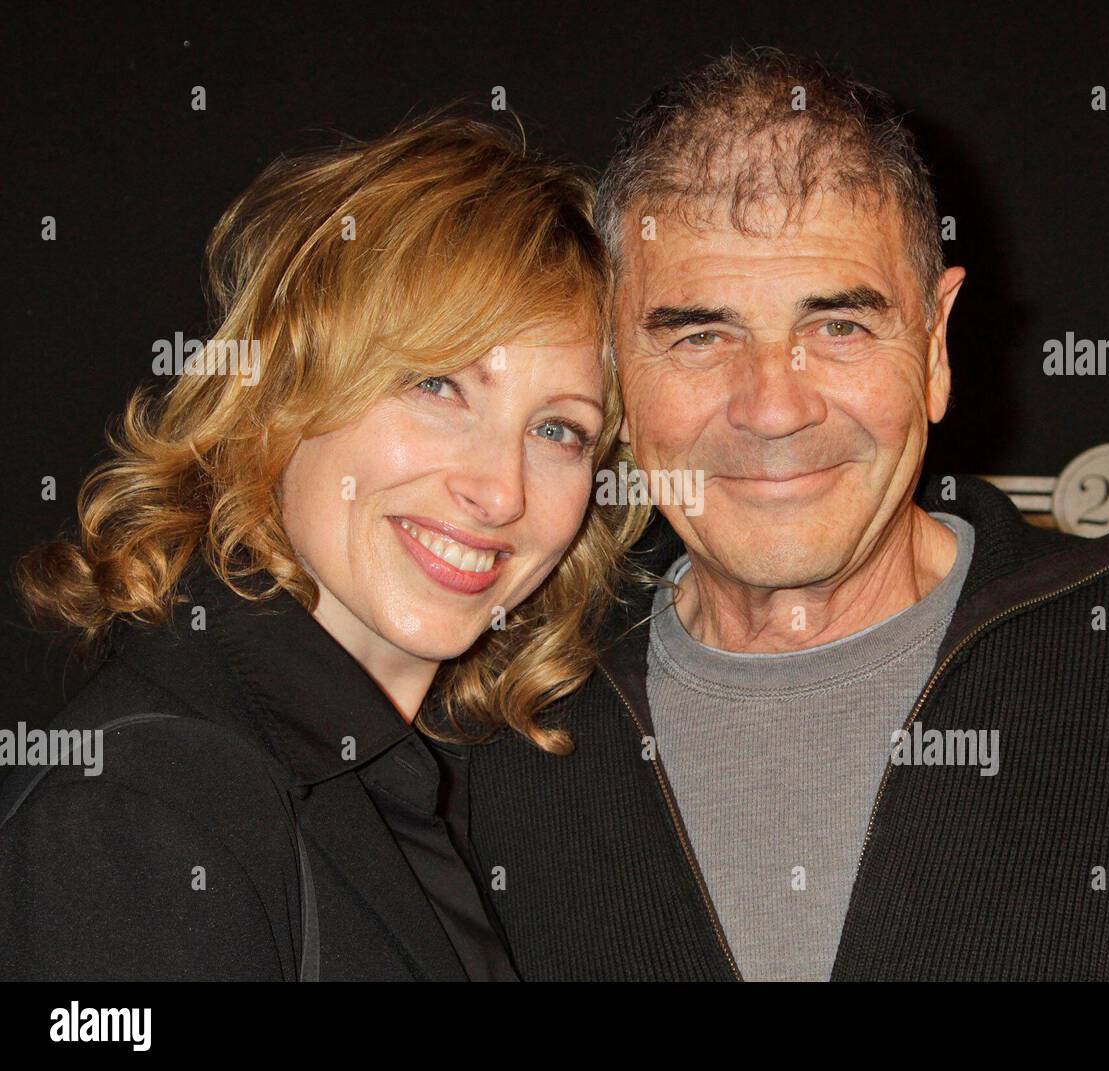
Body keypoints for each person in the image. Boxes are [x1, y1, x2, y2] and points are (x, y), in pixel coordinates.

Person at [463, 48, 1109, 981]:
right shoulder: (504, 720)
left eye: (839, 327)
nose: (773, 407)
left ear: (937, 343)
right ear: (614, 366)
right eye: (702, 334)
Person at [0, 110, 649, 980]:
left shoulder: (419, 793)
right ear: (281, 386)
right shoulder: (144, 811)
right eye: (436, 383)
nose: (500, 489)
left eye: (560, 430)